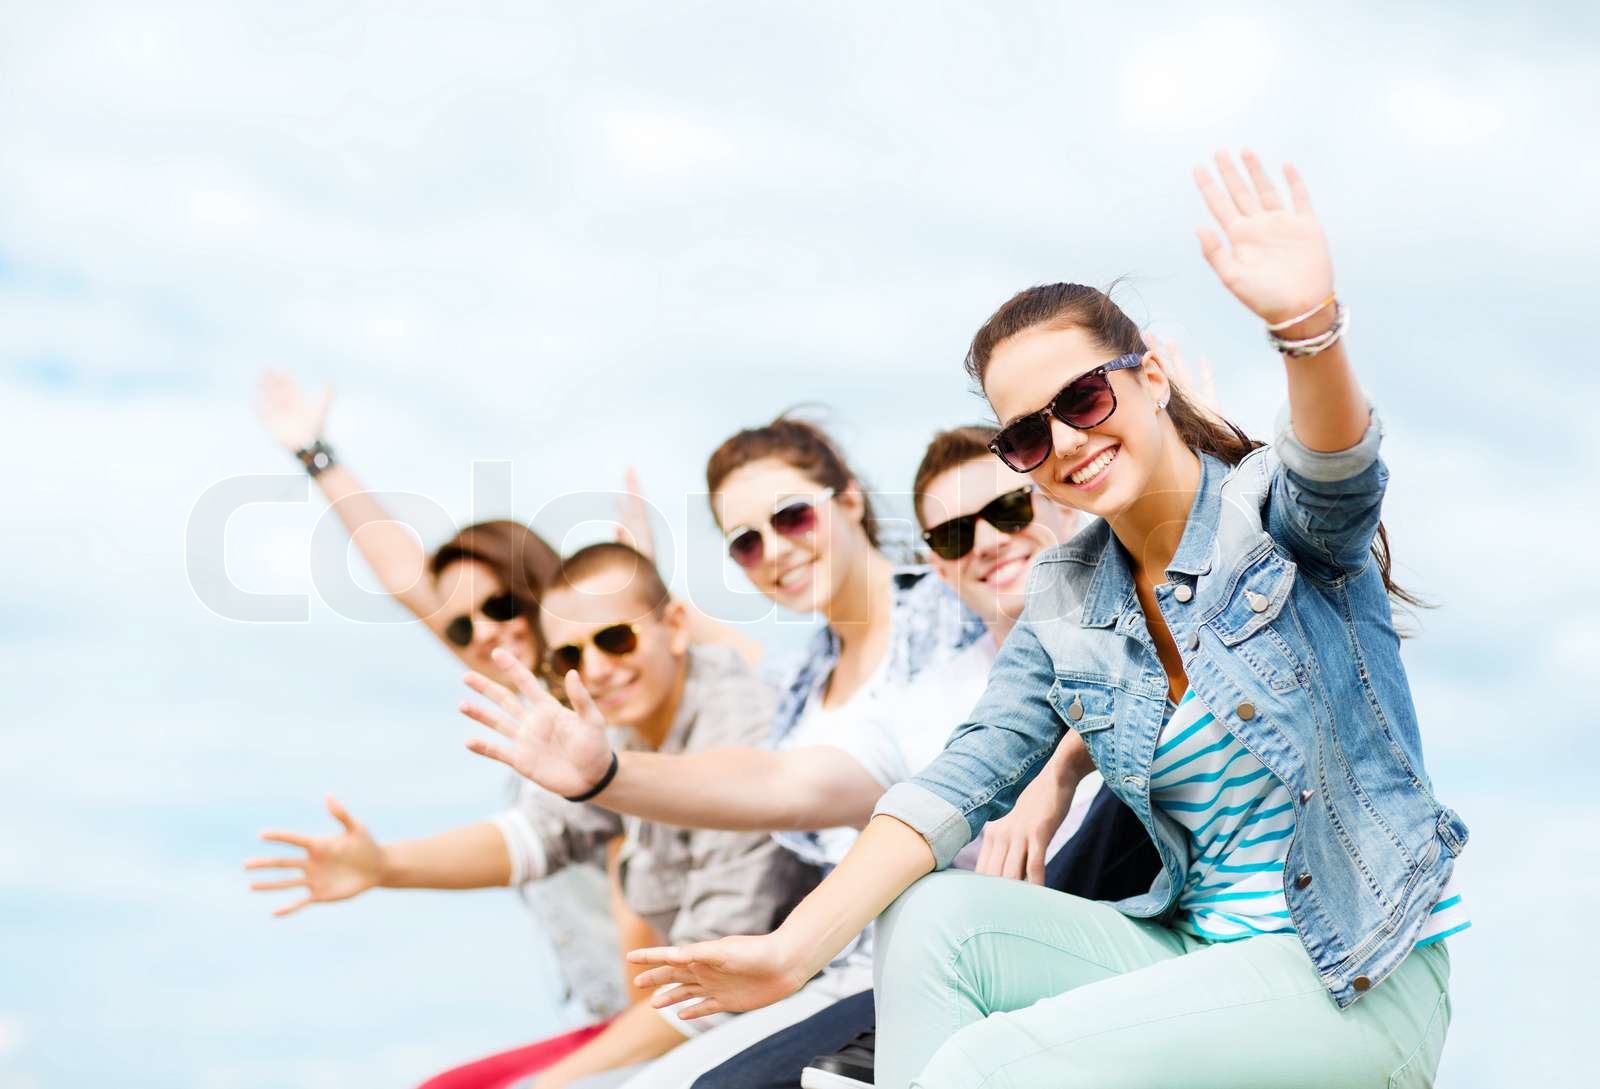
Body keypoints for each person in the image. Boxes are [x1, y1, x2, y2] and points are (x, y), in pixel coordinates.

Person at [626, 151, 1469, 1089]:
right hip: (1193, 958)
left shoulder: (1270, 521)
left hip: (1350, 977)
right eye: (1029, 433)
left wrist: (1306, 328)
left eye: (1084, 398)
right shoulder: (1070, 597)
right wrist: (789, 949)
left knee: (987, 1065)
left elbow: (1337, 467)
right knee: (935, 915)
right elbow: (959, 778)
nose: (1066, 441)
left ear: (1150, 378)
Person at [461, 419, 1158, 1089]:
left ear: (850, 498)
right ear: (939, 559)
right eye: (746, 542)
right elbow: (780, 779)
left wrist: (1063, 767)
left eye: (791, 516)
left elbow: (1128, 634)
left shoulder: (971, 615)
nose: (776, 548)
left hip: (1032, 907)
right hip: (880, 950)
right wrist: (608, 773)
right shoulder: (824, 689)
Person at [251, 378, 743, 1085]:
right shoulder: (525, 709)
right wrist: (315, 454)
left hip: (677, 1009)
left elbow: (735, 681)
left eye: (504, 603)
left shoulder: (608, 700)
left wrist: (651, 595)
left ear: (545, 591)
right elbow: (405, 577)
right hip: (617, 1013)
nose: (485, 631)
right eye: (461, 626)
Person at [251, 542, 820, 1089]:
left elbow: (709, 986)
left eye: (616, 640)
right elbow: (538, 833)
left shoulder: (739, 727)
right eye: (571, 656)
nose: (596, 669)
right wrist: (383, 866)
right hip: (682, 1009)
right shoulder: (618, 722)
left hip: (786, 1005)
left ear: (674, 627)